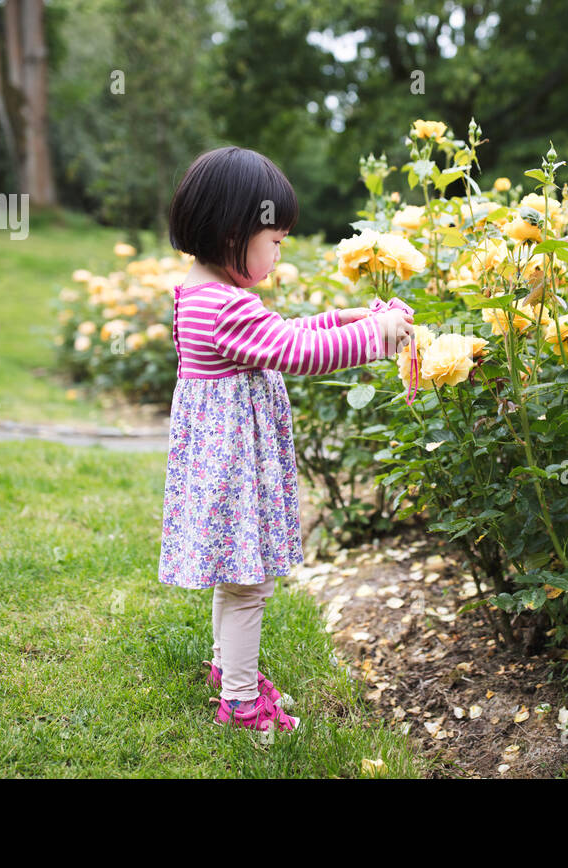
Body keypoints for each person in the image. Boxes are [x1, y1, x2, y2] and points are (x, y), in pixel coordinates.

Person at [158, 146, 414, 733]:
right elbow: (292, 351)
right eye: (274, 240)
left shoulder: (206, 295)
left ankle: (228, 670)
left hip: (225, 471)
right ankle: (242, 706)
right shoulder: (224, 308)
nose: (277, 254)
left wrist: (345, 317)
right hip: (234, 474)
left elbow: (280, 332)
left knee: (238, 576)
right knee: (249, 586)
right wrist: (375, 335)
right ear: (232, 234)